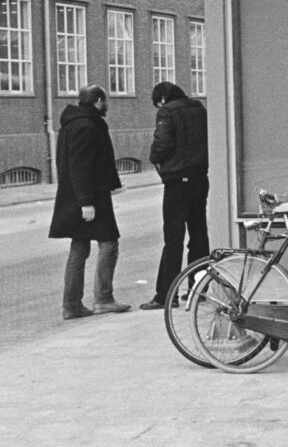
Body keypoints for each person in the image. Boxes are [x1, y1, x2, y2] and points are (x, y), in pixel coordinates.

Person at [48, 85, 130, 319]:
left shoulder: (71, 124)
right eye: (106, 101)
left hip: (77, 196)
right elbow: (81, 165)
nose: (107, 105)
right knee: (109, 244)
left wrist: (112, 185)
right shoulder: (86, 126)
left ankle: (71, 305)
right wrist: (86, 201)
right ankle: (103, 299)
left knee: (79, 248)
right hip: (89, 198)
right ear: (98, 101)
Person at [139, 81, 209, 310]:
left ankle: (167, 294)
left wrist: (154, 157)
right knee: (199, 235)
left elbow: (162, 143)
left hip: (177, 182)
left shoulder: (166, 111)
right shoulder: (199, 108)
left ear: (161, 99)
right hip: (199, 177)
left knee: (173, 239)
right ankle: (198, 289)